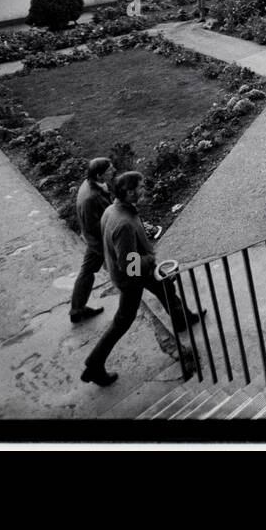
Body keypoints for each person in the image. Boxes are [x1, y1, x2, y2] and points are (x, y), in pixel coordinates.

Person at [82, 171, 204, 387]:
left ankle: (182, 319)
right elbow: (129, 266)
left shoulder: (113, 209)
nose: (145, 190)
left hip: (138, 273)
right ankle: (94, 364)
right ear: (129, 192)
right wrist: (148, 260)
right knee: (122, 321)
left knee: (165, 287)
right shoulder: (124, 224)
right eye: (141, 187)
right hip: (132, 279)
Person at [69, 157, 114, 324]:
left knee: (87, 271)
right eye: (109, 170)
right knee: (130, 257)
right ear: (99, 174)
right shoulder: (91, 197)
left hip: (95, 240)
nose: (113, 171)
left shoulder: (92, 185)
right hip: (100, 241)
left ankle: (77, 309)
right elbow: (95, 226)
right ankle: (146, 280)